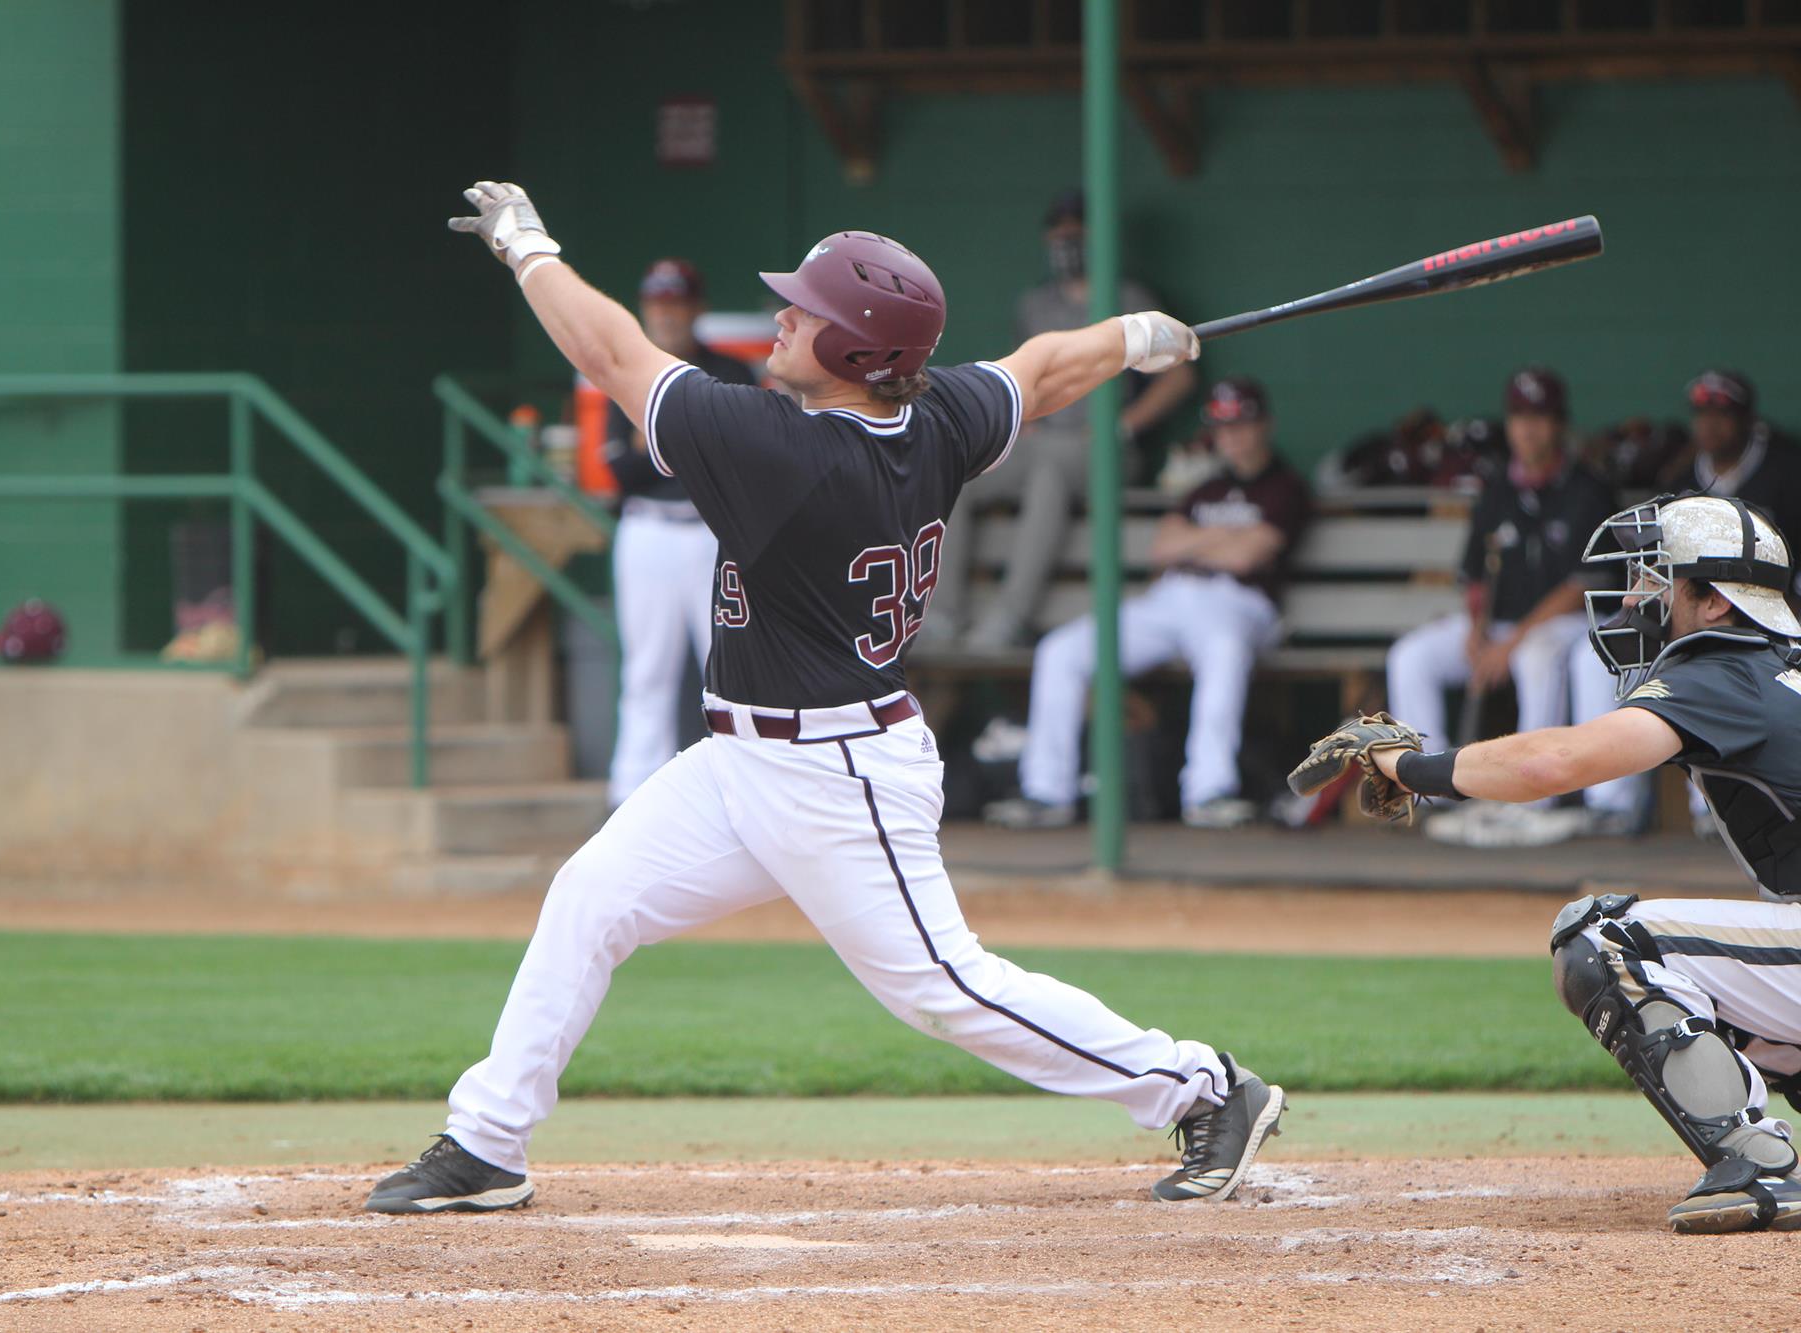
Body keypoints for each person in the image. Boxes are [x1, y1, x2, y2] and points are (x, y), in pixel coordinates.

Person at [363, 182, 1286, 1217]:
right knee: (590, 898)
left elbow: (612, 354)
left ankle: (1204, 1086)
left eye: (804, 312)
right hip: (741, 760)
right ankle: (488, 1140)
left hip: (837, 774)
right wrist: (1131, 336)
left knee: (945, 986)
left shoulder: (781, 452)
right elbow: (1041, 369)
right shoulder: (936, 416)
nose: (780, 319)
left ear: (857, 349)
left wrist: (529, 249)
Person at [1314, 493, 1801, 1233]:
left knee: (1606, 939)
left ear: (1714, 602)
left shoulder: (1723, 669)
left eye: (1659, 581)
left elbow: (1553, 762)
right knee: (1719, 991)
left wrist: (1408, 766)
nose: (1637, 599)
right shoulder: (1778, 668)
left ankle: (1761, 1163)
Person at [985, 377, 1310, 831]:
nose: (1231, 435)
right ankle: (1046, 791)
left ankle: (1208, 790)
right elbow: (1162, 548)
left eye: (1241, 424)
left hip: (1237, 603)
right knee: (1060, 651)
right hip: (1171, 597)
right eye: (1223, 426)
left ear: (1264, 425)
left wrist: (1197, 542)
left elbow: (1246, 556)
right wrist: (1223, 538)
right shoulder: (1207, 487)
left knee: (1224, 654)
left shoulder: (1284, 486)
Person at [922, 189, 1197, 652]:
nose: (1067, 245)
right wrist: (1023, 417)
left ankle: (1011, 617)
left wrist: (1124, 423)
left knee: (1049, 473)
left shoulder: (1129, 296)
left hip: (1106, 447)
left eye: (1077, 234)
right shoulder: (1036, 304)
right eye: (1059, 235)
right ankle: (942, 615)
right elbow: (1026, 373)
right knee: (959, 473)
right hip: (1042, 439)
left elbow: (1181, 377)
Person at [1384, 368, 1618, 846]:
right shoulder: (1498, 490)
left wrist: (1508, 644)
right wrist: (1477, 632)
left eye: (1539, 417)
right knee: (1412, 656)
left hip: (1571, 623)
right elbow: (1476, 579)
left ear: (1559, 423)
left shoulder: (1587, 489)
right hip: (1503, 625)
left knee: (1536, 655)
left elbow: (1578, 588)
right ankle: (1427, 787)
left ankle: (1533, 800)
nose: (1528, 428)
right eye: (1519, 417)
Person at [1567, 370, 1801, 838]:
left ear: (1746, 418)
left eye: (1721, 413)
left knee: (1715, 674)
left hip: (1772, 613)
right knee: (1600, 658)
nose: (1709, 424)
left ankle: (1718, 810)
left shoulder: (1787, 470)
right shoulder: (1681, 476)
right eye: (1701, 413)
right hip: (1702, 614)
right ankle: (1613, 807)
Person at [600, 259, 756, 805]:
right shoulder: (629, 372)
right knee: (647, 672)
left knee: (732, 670)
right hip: (648, 529)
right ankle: (631, 798)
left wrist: (661, 441)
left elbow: (742, 462)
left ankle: (740, 796)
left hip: (713, 533)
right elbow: (623, 472)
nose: (666, 315)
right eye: (658, 304)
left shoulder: (730, 371)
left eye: (677, 303)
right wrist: (689, 440)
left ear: (697, 308)